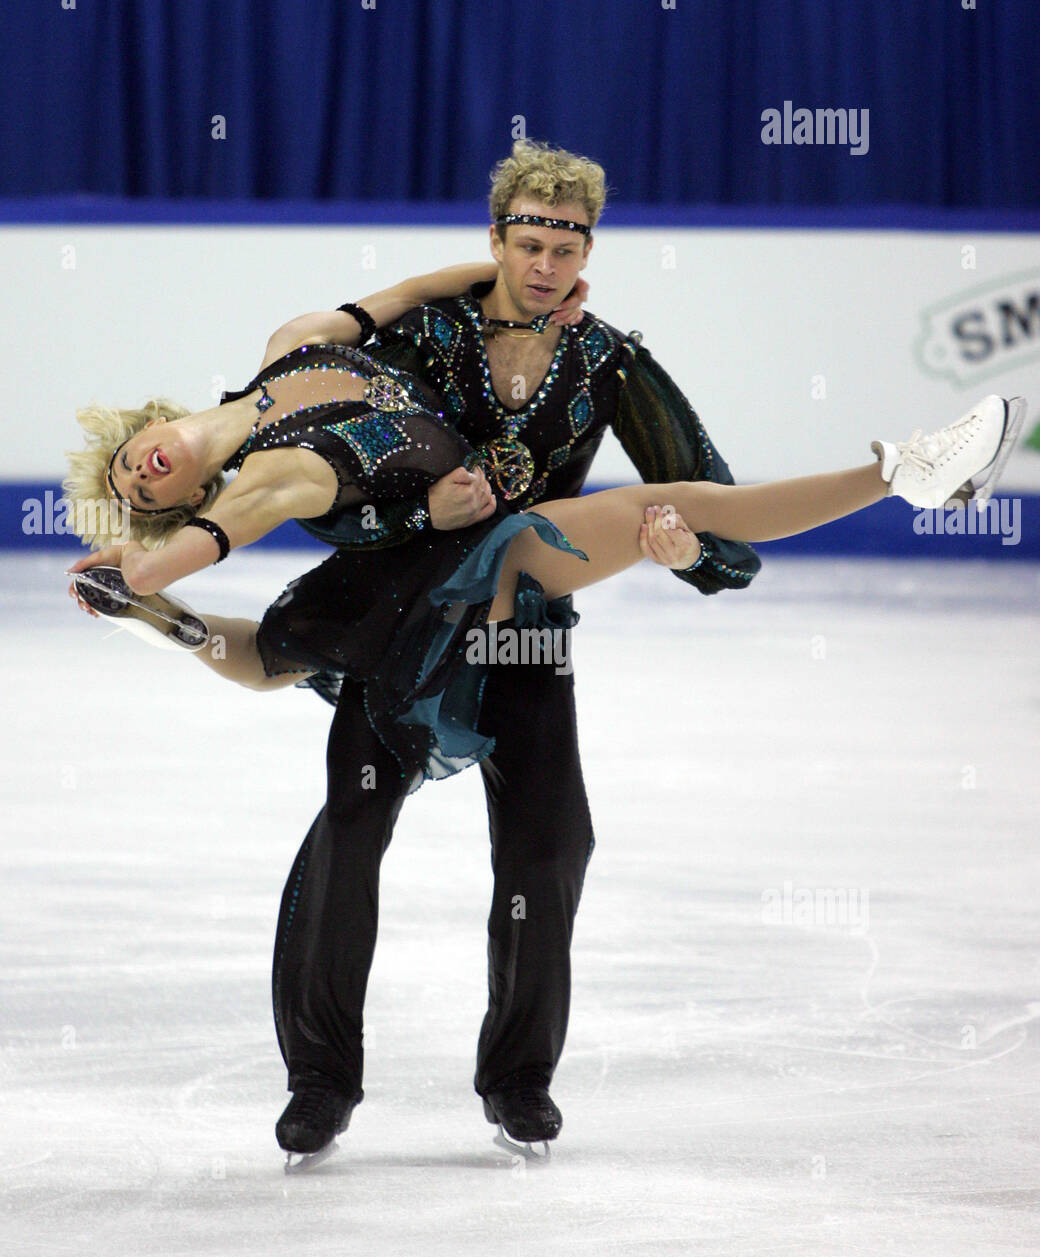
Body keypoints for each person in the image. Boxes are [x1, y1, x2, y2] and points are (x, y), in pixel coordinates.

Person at [65, 243, 1024, 1160]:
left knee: (554, 834)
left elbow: (407, 287)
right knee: (346, 830)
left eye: (130, 455)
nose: (143, 466)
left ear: (153, 422)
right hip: (404, 605)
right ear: (192, 494)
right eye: (142, 487)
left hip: (514, 594)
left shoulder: (310, 343)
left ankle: (906, 472)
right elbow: (230, 574)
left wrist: (517, 286)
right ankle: (319, 1084)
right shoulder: (266, 479)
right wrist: (151, 589)